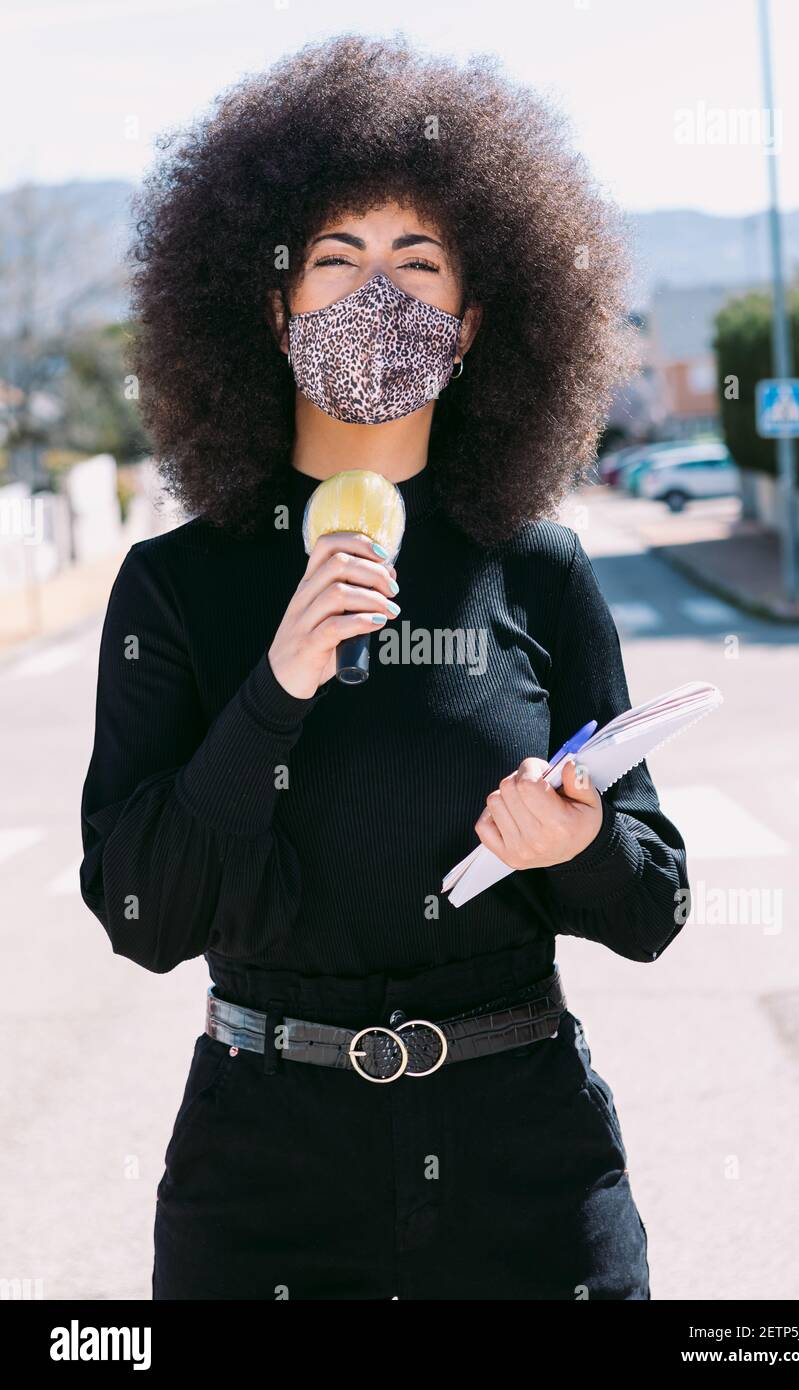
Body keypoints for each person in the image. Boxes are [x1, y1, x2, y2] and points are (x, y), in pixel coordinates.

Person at [80, 33, 690, 1301]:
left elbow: (649, 908)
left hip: (527, 1167)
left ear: (470, 329)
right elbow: (140, 915)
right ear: (270, 304)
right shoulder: (178, 588)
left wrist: (567, 842)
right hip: (265, 1179)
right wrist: (271, 693)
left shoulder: (539, 571)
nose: (377, 296)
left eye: (417, 265)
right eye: (336, 260)